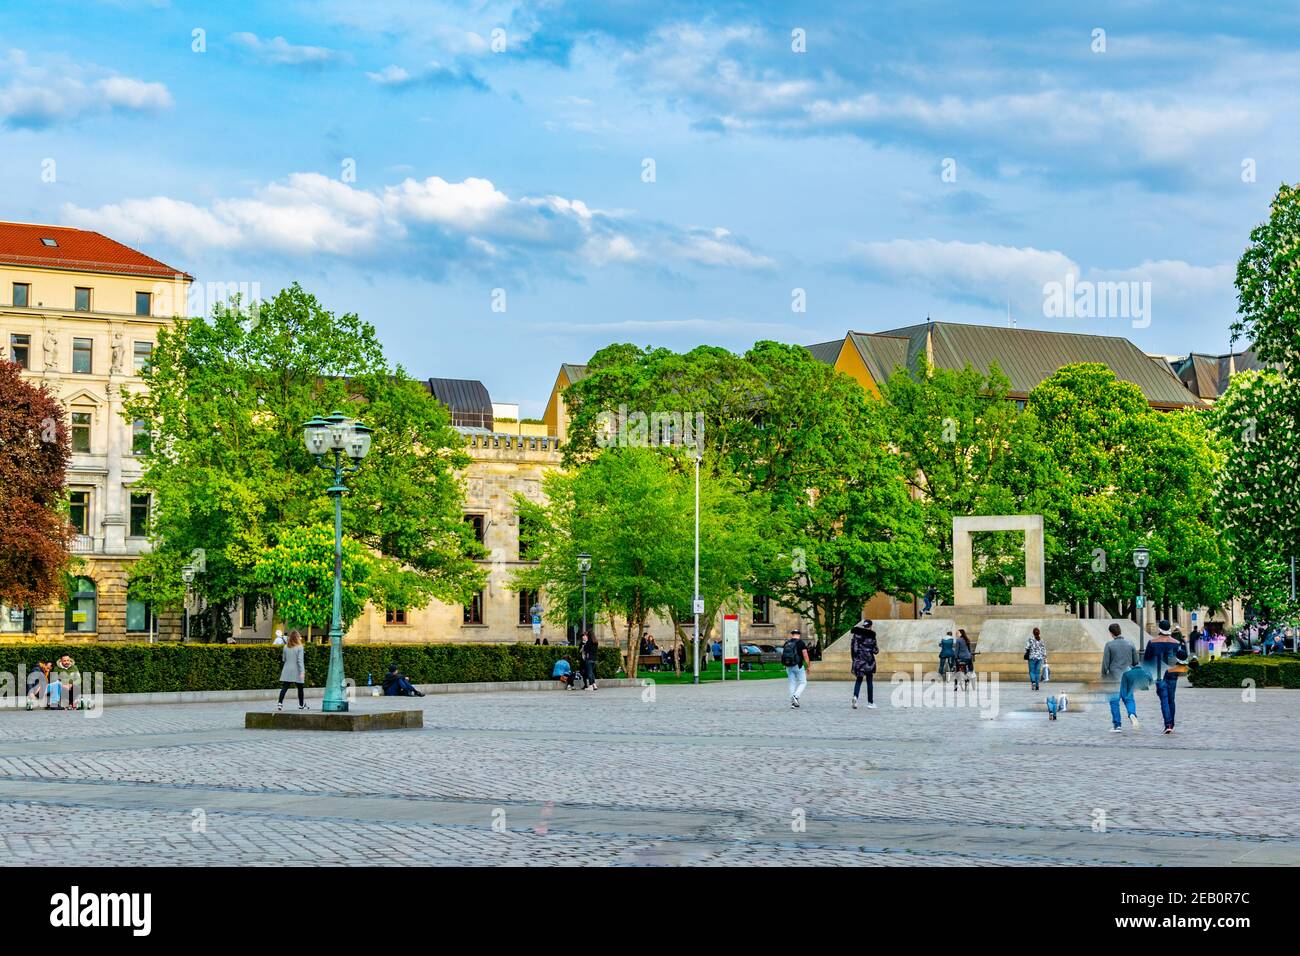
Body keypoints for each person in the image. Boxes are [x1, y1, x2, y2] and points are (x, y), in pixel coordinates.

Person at [1143, 619, 1188, 734]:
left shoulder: (1152, 642)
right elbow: (1182, 657)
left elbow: (1147, 660)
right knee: (1171, 699)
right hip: (1173, 673)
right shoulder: (1176, 643)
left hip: (1159, 674)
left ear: (1159, 628)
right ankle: (1171, 724)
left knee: (1164, 699)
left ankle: (1167, 724)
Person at [1100, 622, 1141, 733]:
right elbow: (1135, 662)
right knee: (1129, 699)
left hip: (1114, 678)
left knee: (1114, 702)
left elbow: (1105, 664)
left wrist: (1103, 677)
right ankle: (1132, 714)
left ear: (1111, 633)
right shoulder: (1130, 643)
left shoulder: (1109, 645)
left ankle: (1117, 725)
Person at [849, 620, 878, 710]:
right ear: (870, 626)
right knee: (869, 682)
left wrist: (854, 659)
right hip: (869, 661)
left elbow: (853, 648)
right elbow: (876, 650)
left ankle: (855, 697)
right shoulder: (872, 636)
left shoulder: (856, 635)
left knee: (858, 680)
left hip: (859, 661)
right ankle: (870, 702)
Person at [277, 630, 308, 711]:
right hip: (297, 670)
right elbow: (300, 661)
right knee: (300, 688)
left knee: (285, 687)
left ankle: (280, 703)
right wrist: (302, 671)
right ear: (297, 638)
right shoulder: (300, 647)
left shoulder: (285, 647)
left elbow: (283, 659)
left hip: (287, 669)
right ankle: (301, 705)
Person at [781, 627, 810, 708]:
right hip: (798, 665)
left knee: (792, 683)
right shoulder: (801, 643)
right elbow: (805, 655)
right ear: (799, 635)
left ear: (792, 635)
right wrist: (808, 666)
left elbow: (783, 655)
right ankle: (796, 696)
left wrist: (784, 664)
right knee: (803, 682)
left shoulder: (787, 643)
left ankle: (793, 702)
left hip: (788, 665)